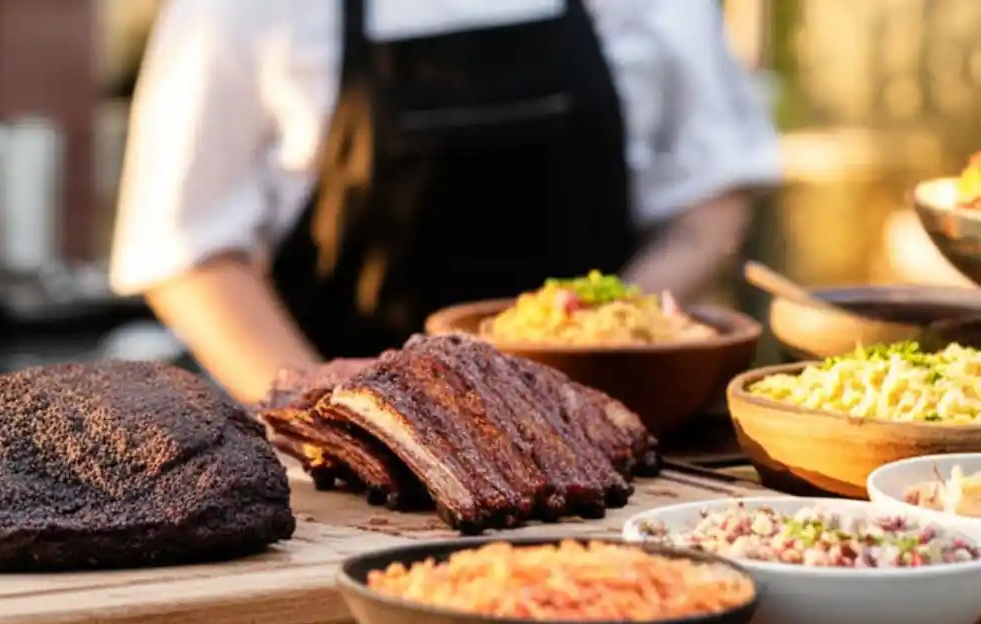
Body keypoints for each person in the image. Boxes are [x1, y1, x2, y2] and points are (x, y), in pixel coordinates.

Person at [111, 0, 780, 403]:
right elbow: (190, 254)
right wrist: (333, 416)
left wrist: (604, 347)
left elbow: (711, 198)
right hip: (342, 463)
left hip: (609, 428)